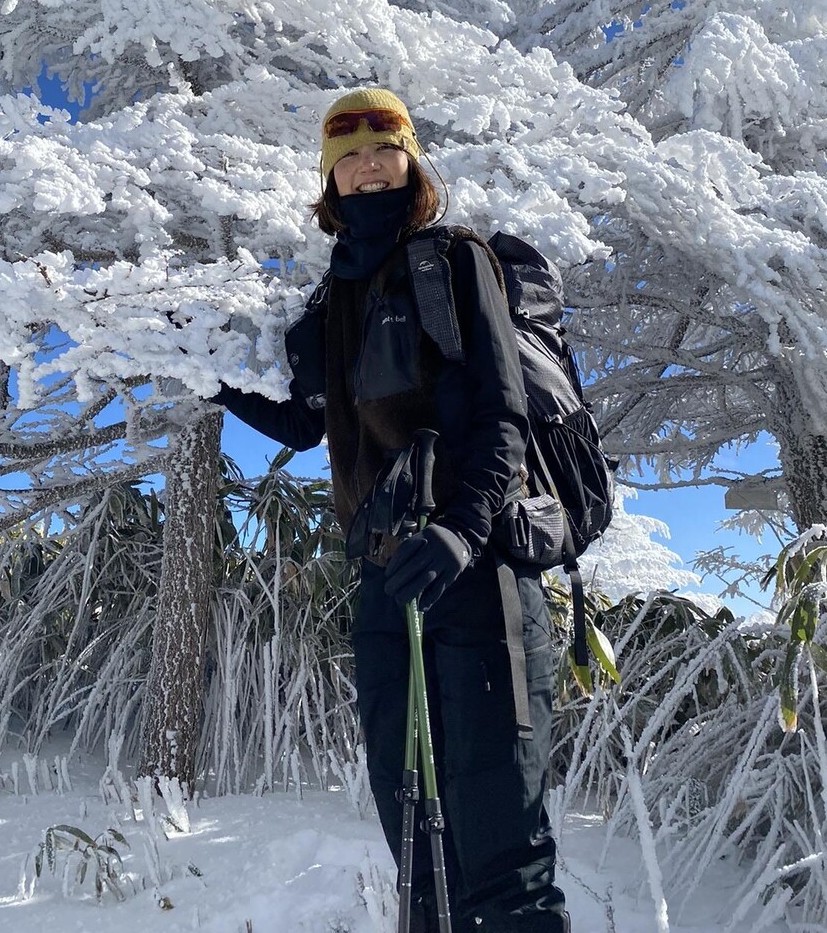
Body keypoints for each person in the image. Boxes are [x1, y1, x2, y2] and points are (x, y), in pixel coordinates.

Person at [213, 87, 570, 933]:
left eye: (383, 148)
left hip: (475, 575)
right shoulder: (331, 297)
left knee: (501, 850)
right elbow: (307, 423)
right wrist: (206, 369)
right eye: (348, 158)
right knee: (414, 840)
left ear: (411, 161)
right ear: (329, 181)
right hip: (383, 581)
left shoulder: (452, 260)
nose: (367, 167)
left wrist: (461, 529)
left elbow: (501, 410)